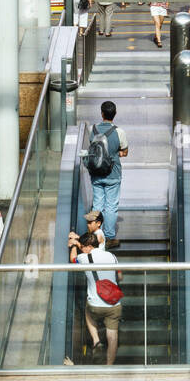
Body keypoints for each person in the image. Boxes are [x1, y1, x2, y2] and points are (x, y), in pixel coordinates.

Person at [75, 232, 122, 364]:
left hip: (94, 306)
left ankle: (96, 340)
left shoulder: (84, 258)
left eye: (82, 247)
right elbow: (120, 277)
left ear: (89, 246)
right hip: (114, 304)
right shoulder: (112, 256)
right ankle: (109, 366)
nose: (81, 249)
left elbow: (74, 259)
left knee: (87, 311)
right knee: (113, 337)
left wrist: (73, 245)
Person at [87, 101, 128, 249]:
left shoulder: (94, 129)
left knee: (97, 204)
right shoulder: (119, 132)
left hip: (96, 173)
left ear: (102, 113)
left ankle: (96, 236)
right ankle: (109, 238)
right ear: (114, 114)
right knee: (111, 206)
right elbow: (125, 152)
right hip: (113, 174)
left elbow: (92, 148)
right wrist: (117, 153)